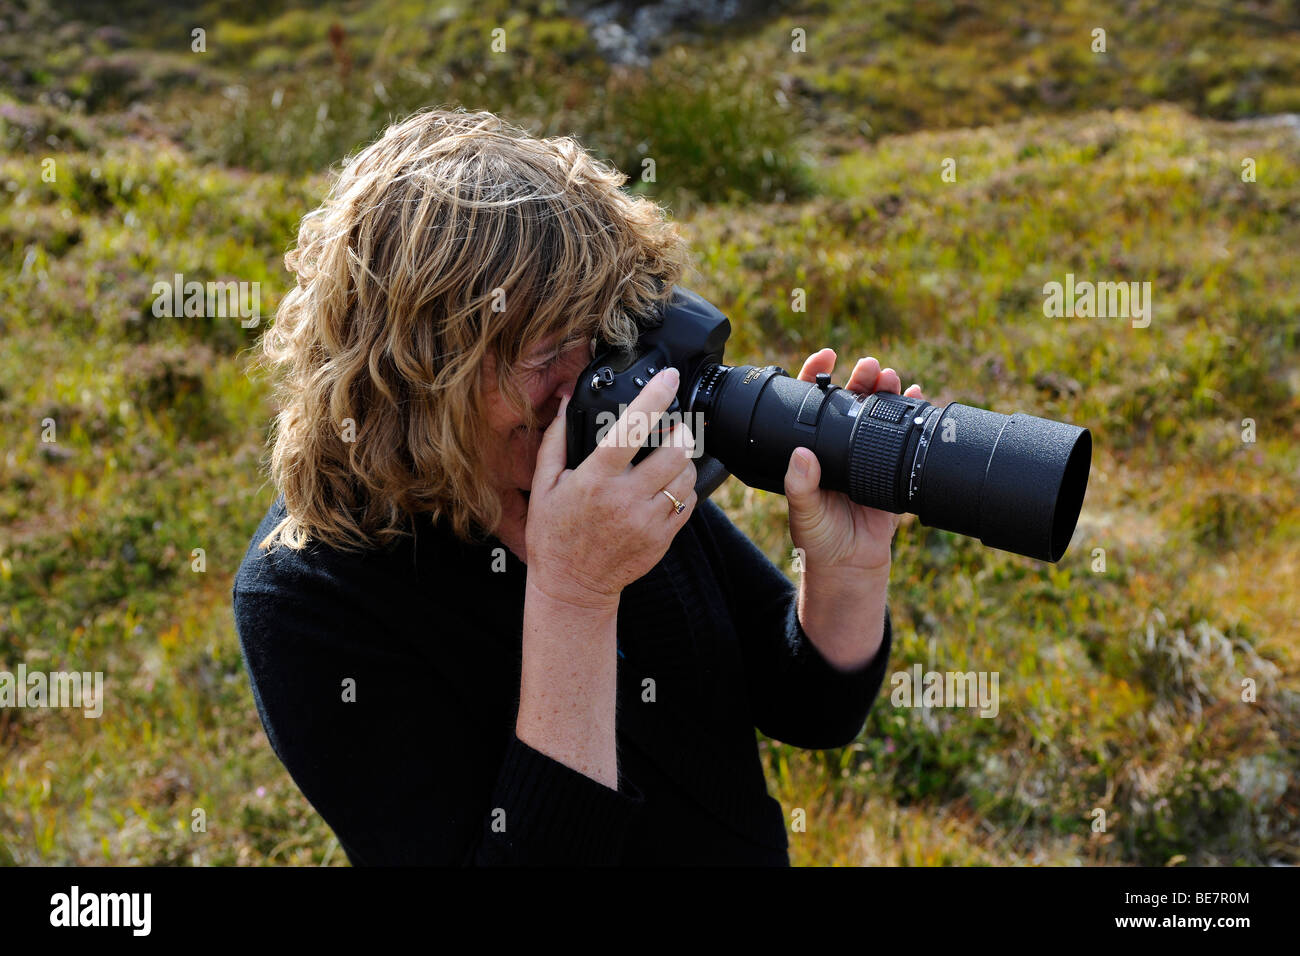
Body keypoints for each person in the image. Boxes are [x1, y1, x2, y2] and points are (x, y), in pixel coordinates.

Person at [232, 107, 923, 865]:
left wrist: (849, 567)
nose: (589, 380)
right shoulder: (310, 595)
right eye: (545, 349)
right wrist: (575, 598)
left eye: (599, 334)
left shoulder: (606, 451)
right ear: (416, 374)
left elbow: (810, 706)